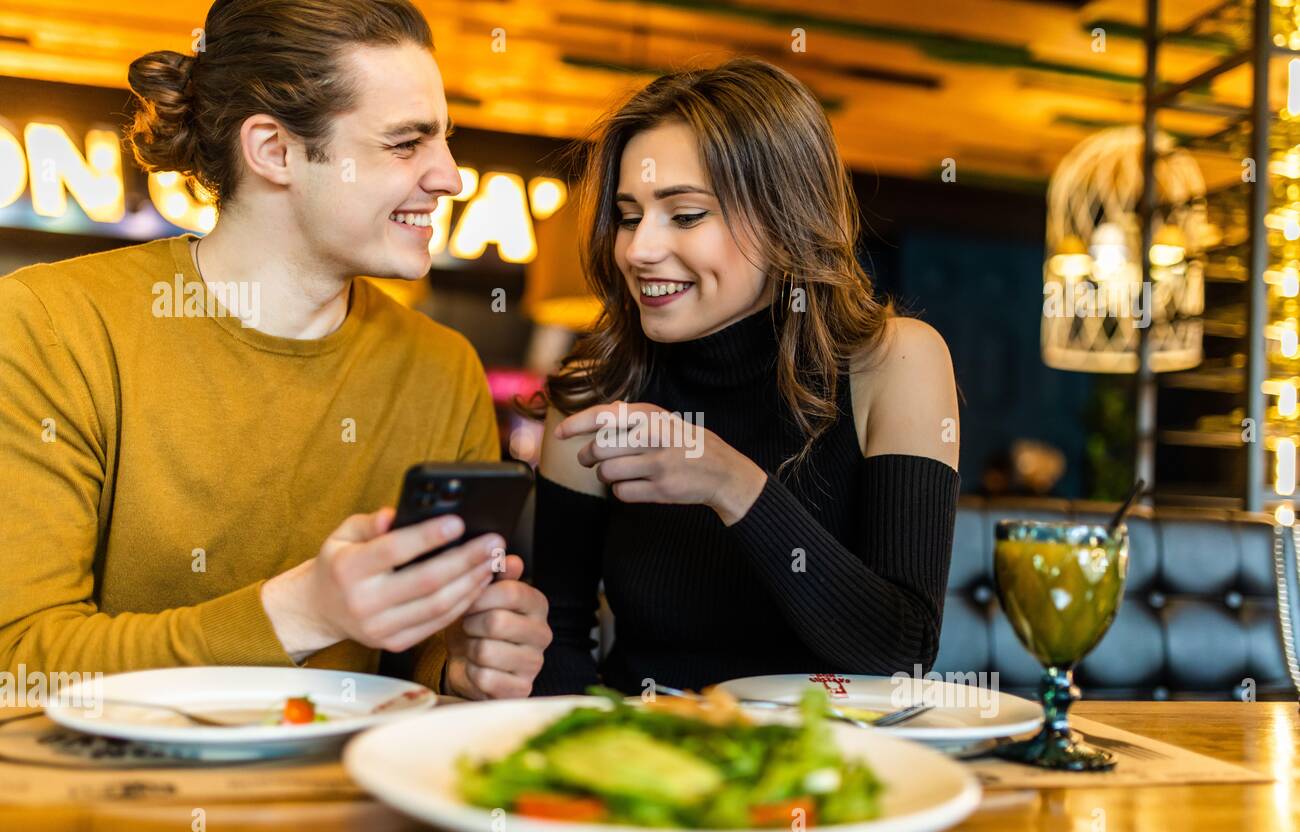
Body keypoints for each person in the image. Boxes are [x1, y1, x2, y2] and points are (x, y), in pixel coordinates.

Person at [0, 0, 550, 700]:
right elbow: (17, 664)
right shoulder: (54, 324)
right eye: (406, 143)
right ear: (274, 151)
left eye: (445, 139)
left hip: (351, 800)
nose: (450, 177)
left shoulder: (442, 368)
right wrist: (303, 612)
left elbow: (423, 679)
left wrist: (466, 670)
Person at [530, 58, 961, 696]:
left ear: (784, 218)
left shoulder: (895, 362)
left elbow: (903, 657)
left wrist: (731, 485)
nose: (639, 249)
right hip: (643, 758)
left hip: (825, 770)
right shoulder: (597, 390)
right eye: (628, 215)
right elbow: (555, 636)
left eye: (684, 215)